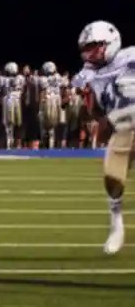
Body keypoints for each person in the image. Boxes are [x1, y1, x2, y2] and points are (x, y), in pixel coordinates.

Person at [72, 20, 135, 255]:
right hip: (123, 128)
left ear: (110, 42)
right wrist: (92, 107)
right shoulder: (87, 75)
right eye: (86, 48)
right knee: (112, 178)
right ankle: (116, 222)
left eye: (94, 46)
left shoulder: (131, 56)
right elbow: (98, 115)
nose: (89, 52)